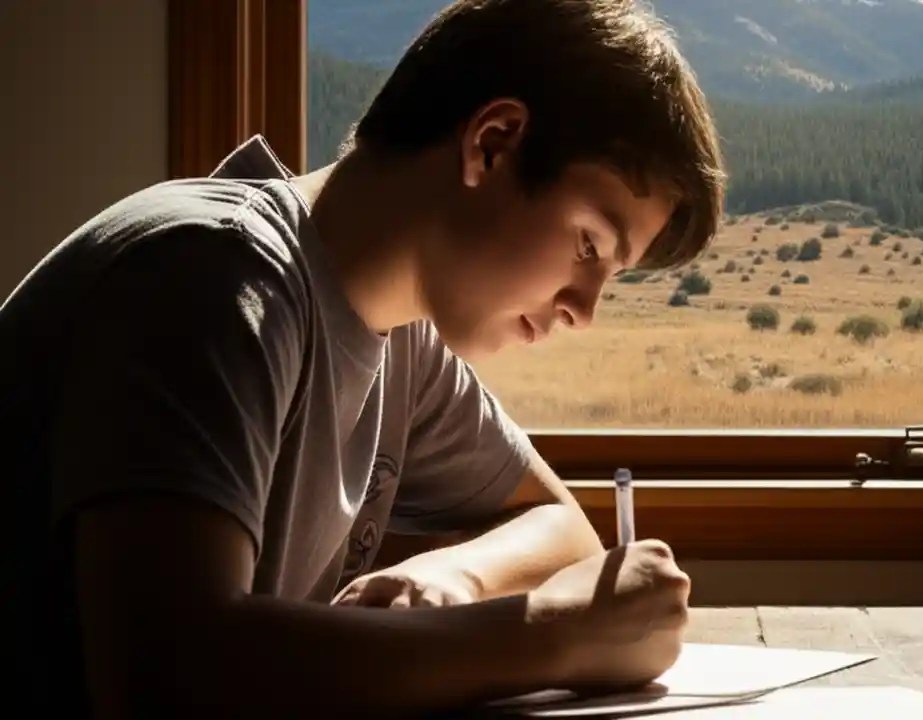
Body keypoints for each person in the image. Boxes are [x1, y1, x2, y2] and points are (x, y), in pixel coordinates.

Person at [0, 0, 724, 715]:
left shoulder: (401, 338)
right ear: (493, 145)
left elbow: (561, 530)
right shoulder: (214, 277)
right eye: (590, 245)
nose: (583, 310)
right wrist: (554, 637)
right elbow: (166, 675)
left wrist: (451, 581)